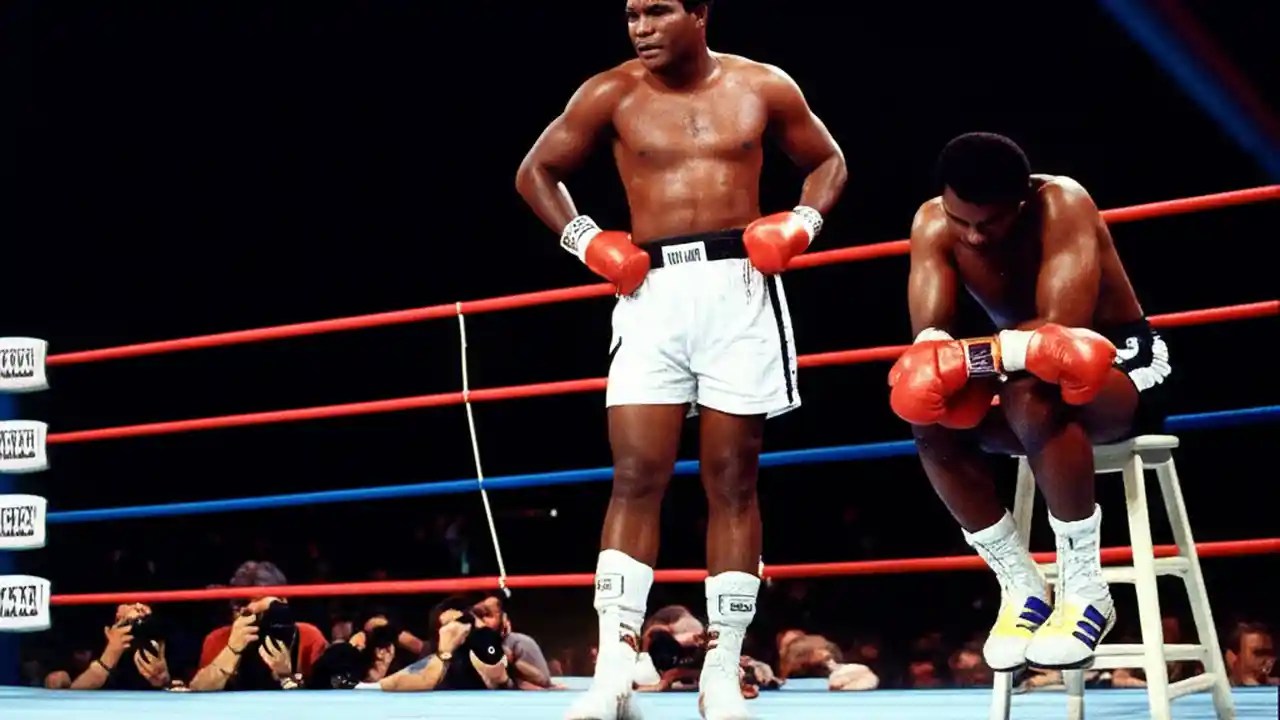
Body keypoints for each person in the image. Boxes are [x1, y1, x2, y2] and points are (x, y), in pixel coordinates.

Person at [515, 1, 846, 717]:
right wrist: (586, 239)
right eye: (632, 14)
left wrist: (801, 222)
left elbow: (827, 161)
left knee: (733, 479)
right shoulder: (611, 91)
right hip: (651, 287)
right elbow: (535, 171)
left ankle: (722, 669)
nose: (640, 27)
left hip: (740, 287)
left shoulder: (763, 86)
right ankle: (613, 671)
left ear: (700, 13)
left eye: (659, 11)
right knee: (635, 475)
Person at [889, 132, 1172, 672]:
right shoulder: (931, 222)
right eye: (960, 220)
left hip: (1120, 363)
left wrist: (968, 358)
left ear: (1019, 203)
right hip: (1021, 366)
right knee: (931, 415)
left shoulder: (1062, 203)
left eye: (988, 223)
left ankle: (1086, 590)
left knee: (1029, 393)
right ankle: (1022, 586)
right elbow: (930, 338)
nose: (972, 236)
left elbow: (1060, 334)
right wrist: (940, 362)